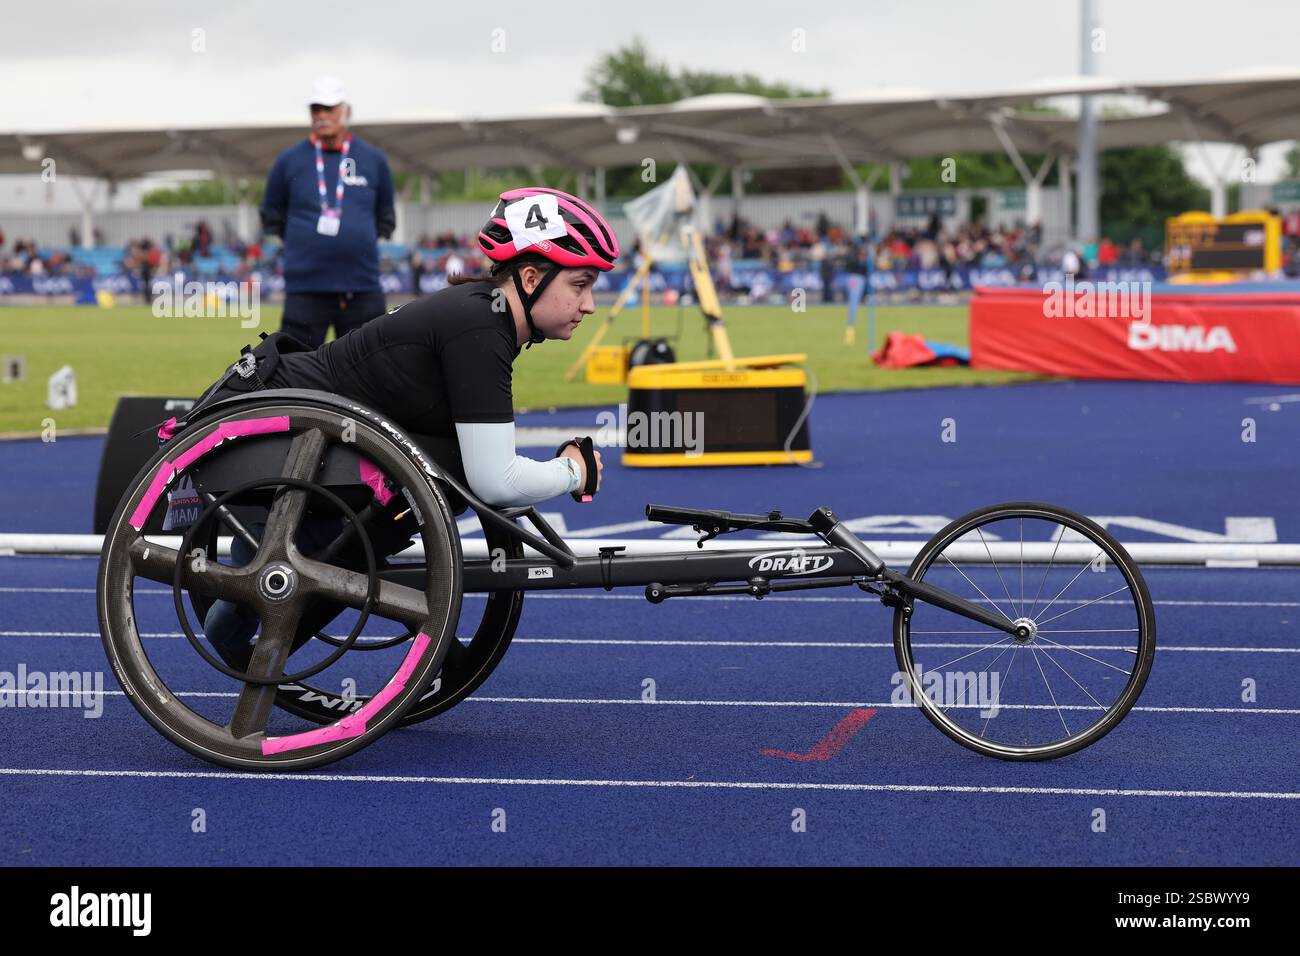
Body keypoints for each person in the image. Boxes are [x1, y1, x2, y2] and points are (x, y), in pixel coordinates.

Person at [195, 186, 620, 664]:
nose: (589, 306)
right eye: (580, 286)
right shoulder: (480, 327)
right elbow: (496, 482)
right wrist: (572, 473)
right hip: (267, 434)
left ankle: (263, 598)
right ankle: (252, 600)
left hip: (294, 438)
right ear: (529, 276)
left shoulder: (483, 315)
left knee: (447, 469)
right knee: (454, 473)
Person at [260, 75, 396, 348]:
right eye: (316, 109)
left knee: (368, 369)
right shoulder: (289, 160)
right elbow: (271, 214)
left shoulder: (373, 159)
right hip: (305, 289)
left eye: (329, 109)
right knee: (295, 369)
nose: (321, 116)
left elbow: (385, 216)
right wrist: (305, 242)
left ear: (346, 111)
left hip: (362, 287)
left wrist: (354, 240)